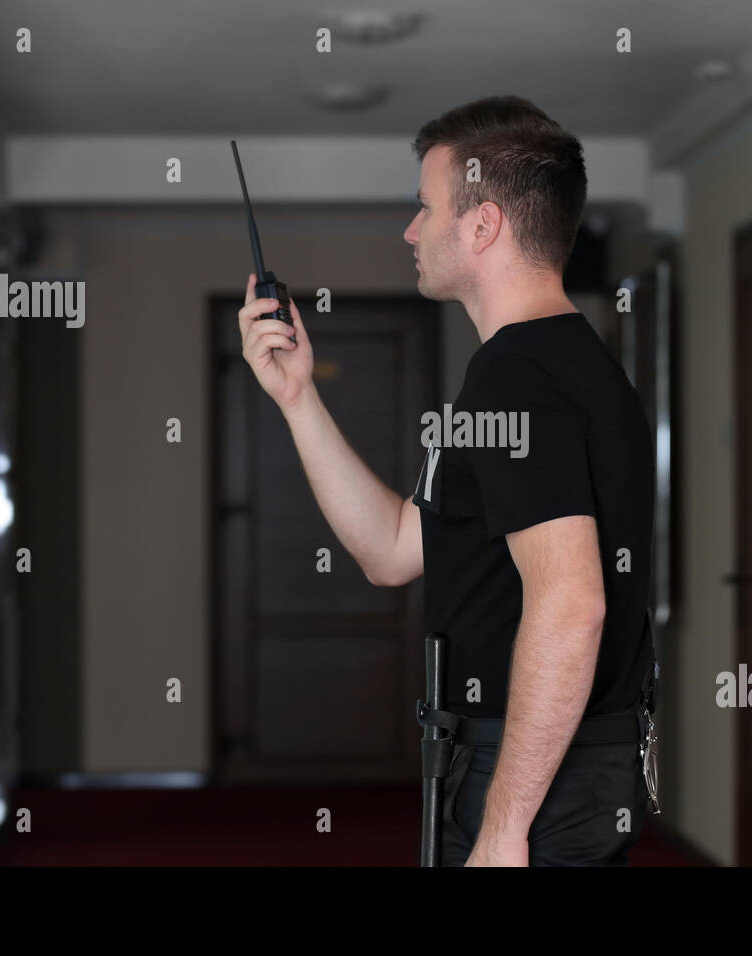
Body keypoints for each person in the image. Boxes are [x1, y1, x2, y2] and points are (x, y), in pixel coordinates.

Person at [236, 95, 656, 866]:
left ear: (484, 224)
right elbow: (393, 549)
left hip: (532, 778)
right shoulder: (561, 369)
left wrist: (503, 829)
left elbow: (572, 606)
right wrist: (298, 398)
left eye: (424, 208)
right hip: (548, 771)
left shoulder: (518, 376)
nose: (410, 229)